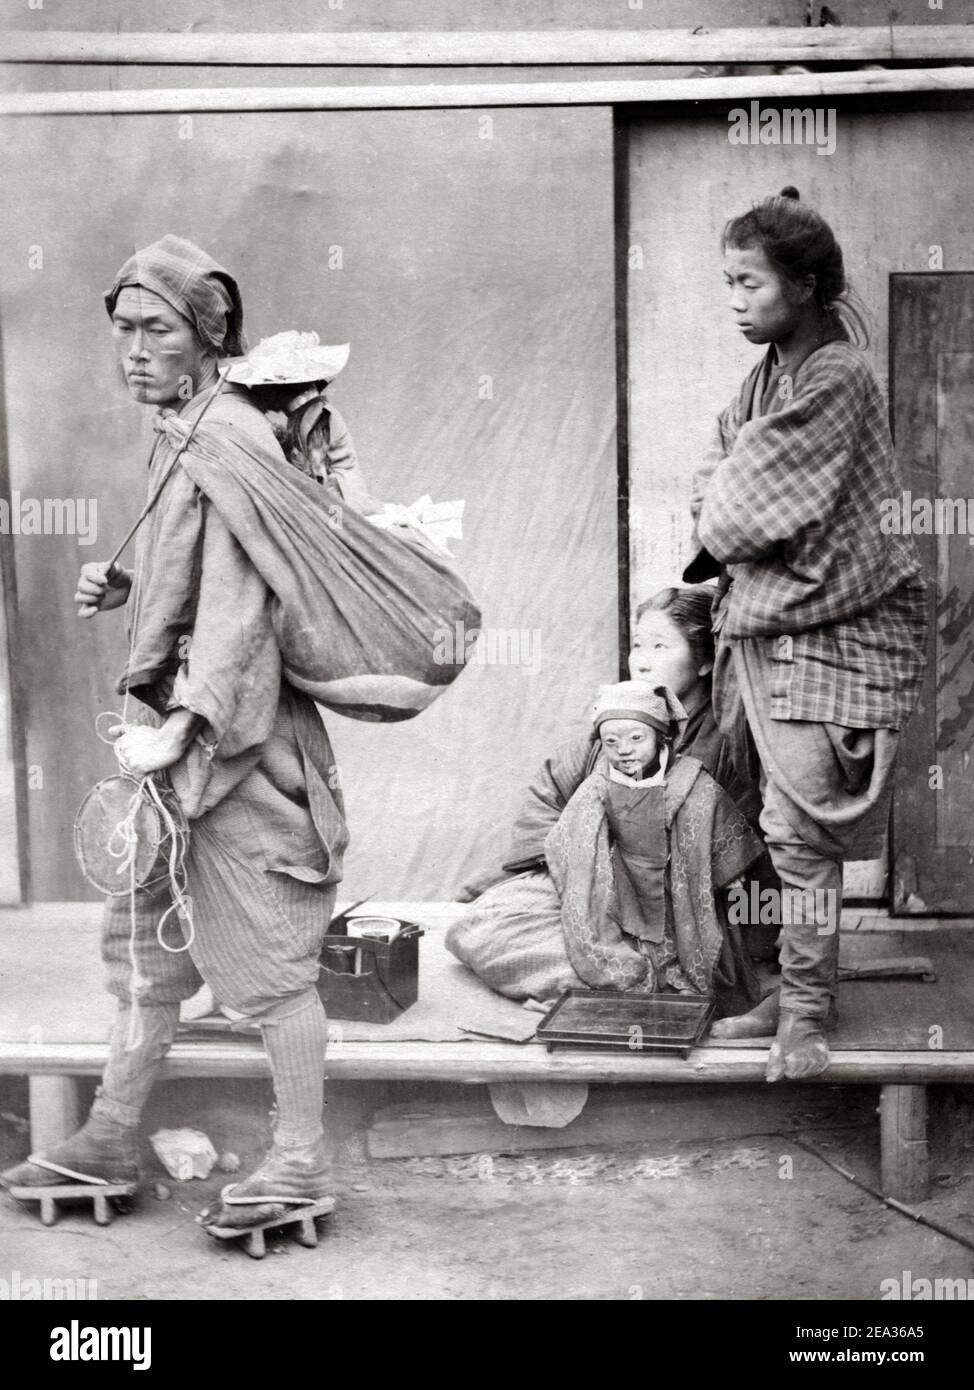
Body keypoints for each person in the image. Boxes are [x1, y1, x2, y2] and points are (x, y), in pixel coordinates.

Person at [1, 236, 348, 1232]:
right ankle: (111, 1131)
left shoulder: (229, 433)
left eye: (156, 329)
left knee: (274, 965)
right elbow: (195, 582)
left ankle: (300, 1162)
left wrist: (183, 726)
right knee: (148, 952)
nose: (134, 350)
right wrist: (131, 591)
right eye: (122, 330)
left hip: (237, 743)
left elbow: (243, 613)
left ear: (210, 336)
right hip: (174, 735)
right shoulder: (179, 427)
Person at [684, 187, 928, 1080]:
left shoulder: (837, 377)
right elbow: (718, 467)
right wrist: (726, 487)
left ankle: (809, 1018)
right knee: (763, 815)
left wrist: (727, 492)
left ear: (804, 282)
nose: (736, 299)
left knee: (799, 836)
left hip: (837, 623)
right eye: (728, 283)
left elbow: (738, 512)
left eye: (750, 282)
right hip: (771, 621)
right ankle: (790, 991)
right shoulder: (765, 378)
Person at [446, 680, 764, 1013]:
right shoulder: (597, 786)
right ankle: (615, 983)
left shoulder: (695, 784)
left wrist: (728, 879)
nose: (624, 750)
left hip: (682, 905)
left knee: (701, 959)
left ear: (662, 736)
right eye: (612, 742)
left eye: (636, 739)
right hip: (606, 903)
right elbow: (569, 849)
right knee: (479, 932)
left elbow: (723, 848)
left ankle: (619, 990)